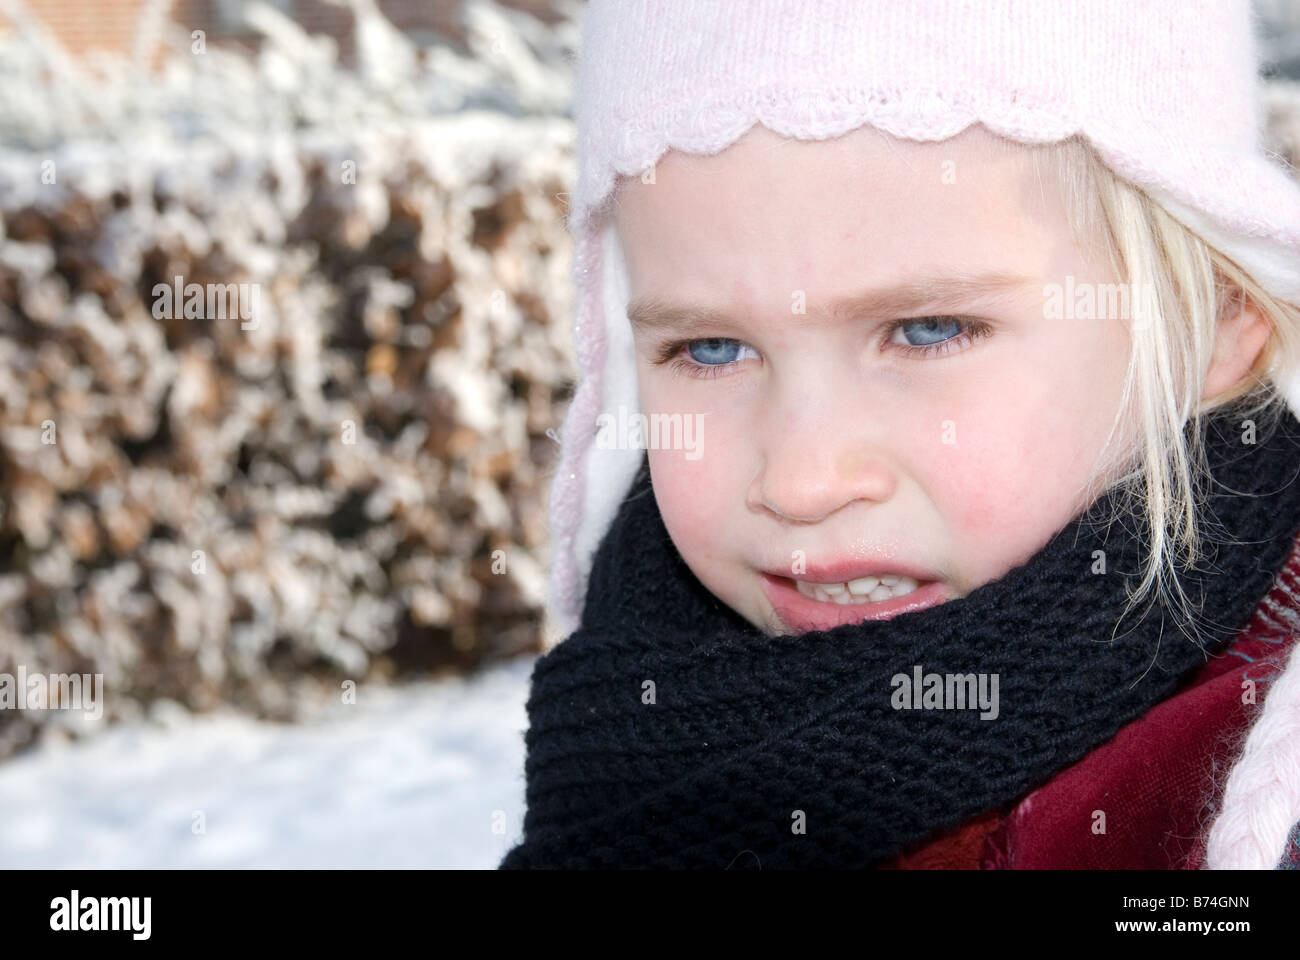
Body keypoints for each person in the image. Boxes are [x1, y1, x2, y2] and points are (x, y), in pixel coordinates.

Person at [501, 0, 1300, 869]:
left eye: (929, 330)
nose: (804, 480)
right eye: (711, 348)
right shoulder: (623, 729)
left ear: (1219, 319)